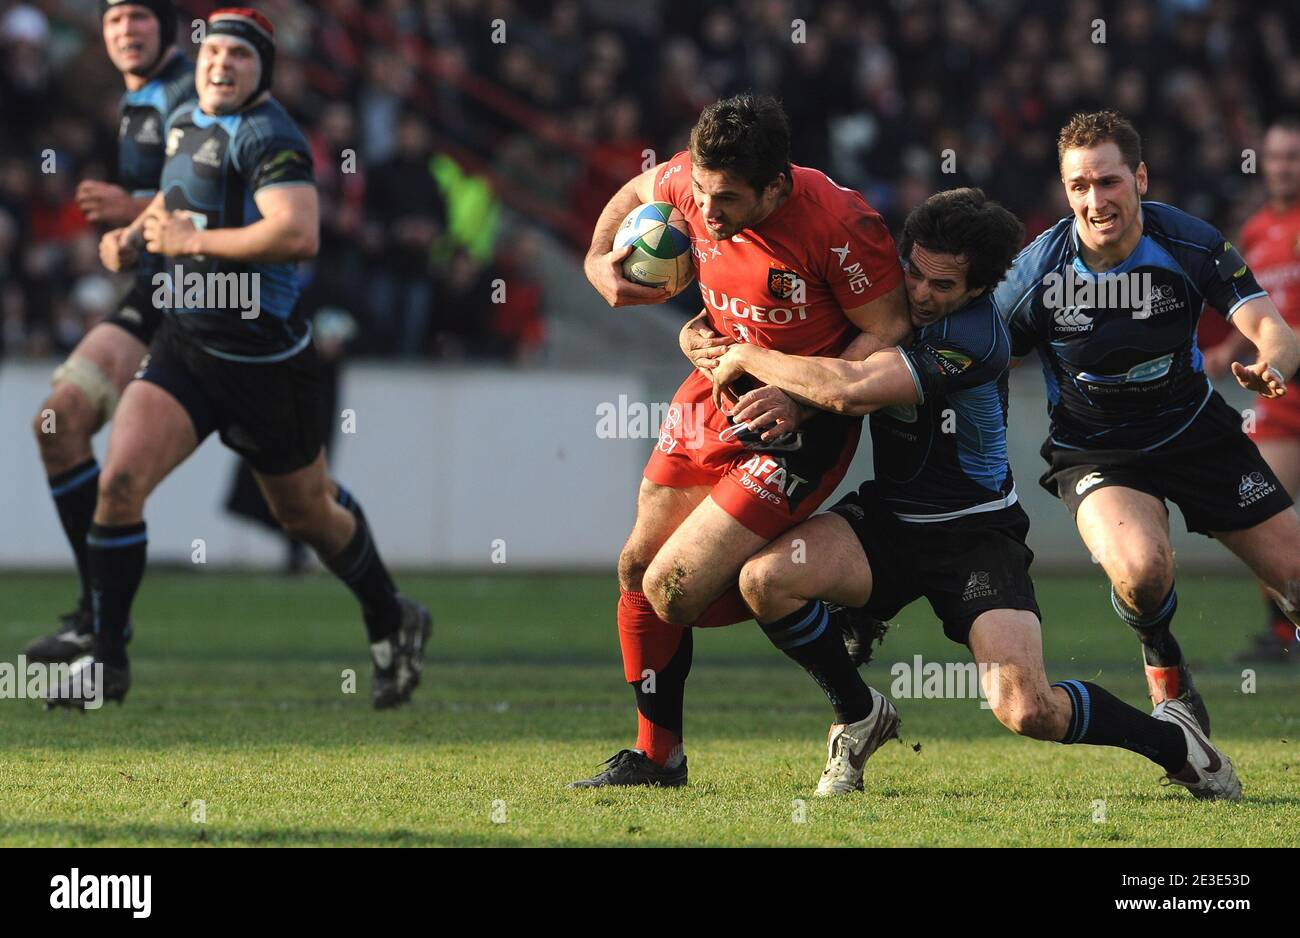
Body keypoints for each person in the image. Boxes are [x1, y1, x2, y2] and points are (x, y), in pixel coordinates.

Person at [719, 188, 1240, 801]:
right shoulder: (889, 295)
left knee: (1028, 710)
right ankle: (859, 716)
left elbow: (852, 390)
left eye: (941, 286)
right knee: (766, 580)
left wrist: (748, 353)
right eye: (912, 271)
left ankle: (1177, 746)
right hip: (889, 522)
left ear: (976, 291)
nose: (918, 292)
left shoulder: (974, 336)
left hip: (974, 536)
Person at [47, 8, 430, 710]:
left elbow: (296, 233)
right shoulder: (191, 119)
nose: (221, 64)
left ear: (264, 71)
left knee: (307, 514)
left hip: (265, 366)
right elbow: (177, 194)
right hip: (186, 347)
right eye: (212, 52)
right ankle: (106, 665)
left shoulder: (271, 134)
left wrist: (191, 246)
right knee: (120, 483)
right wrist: (135, 236)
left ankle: (389, 616)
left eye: (239, 57)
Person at [570, 93, 909, 787]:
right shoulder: (692, 186)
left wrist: (802, 399)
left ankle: (831, 618)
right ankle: (658, 758)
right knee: (639, 568)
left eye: (725, 200)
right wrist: (601, 259)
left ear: (777, 186)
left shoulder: (841, 222)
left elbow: (889, 327)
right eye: (700, 193)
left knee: (675, 589)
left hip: (794, 427)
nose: (707, 214)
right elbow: (637, 187)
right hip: (709, 395)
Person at [992, 110, 1300, 733]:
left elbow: (1273, 327)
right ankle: (1167, 673)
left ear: (1140, 178)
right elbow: (980, 355)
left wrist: (1274, 363)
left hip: (1195, 430)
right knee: (1142, 571)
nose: (1095, 200)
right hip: (1096, 451)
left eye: (1108, 182)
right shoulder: (1036, 271)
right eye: (1079, 186)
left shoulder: (1189, 241)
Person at [25, 1, 193, 664]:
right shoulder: (137, 101)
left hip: (222, 305)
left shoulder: (189, 91)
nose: (128, 30)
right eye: (117, 17)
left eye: (142, 17)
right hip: (157, 295)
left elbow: (219, 188)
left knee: (304, 507)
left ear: (168, 26)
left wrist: (133, 210)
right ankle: (100, 623)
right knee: (59, 422)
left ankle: (386, 611)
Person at [1206, 116, 1300, 662]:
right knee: (1265, 513)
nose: (1283, 167)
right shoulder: (1256, 232)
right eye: (1277, 157)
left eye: (1293, 157)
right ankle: (1285, 633)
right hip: (1278, 395)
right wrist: (1226, 353)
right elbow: (1250, 315)